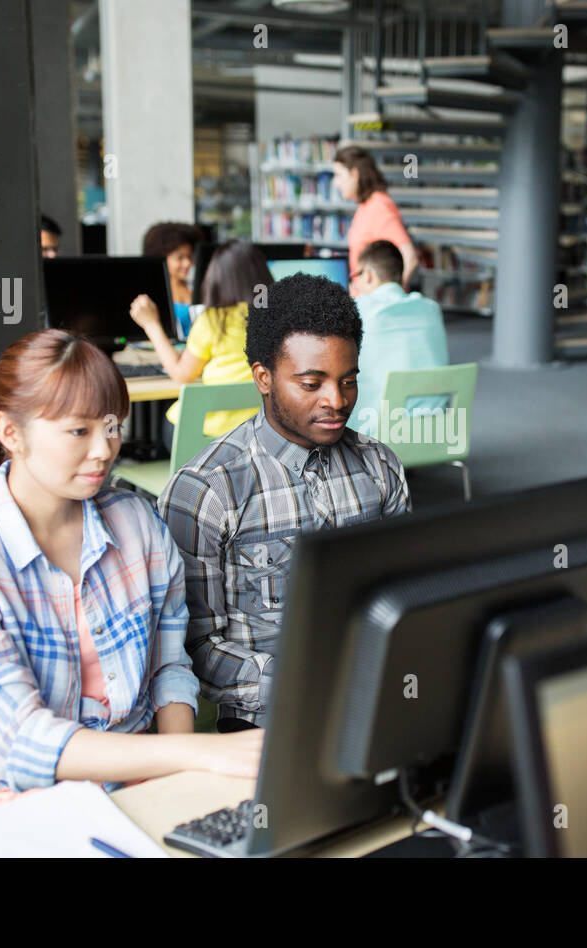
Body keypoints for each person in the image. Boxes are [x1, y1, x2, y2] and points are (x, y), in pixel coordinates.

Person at [0, 329, 262, 816]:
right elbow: (23, 741)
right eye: (80, 431)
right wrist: (194, 753)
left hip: (140, 785)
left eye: (112, 426)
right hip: (15, 806)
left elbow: (170, 668)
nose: (104, 449)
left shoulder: (140, 523)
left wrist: (179, 785)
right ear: (11, 433)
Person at [157, 274, 410, 732]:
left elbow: (407, 591)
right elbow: (195, 647)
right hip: (270, 722)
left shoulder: (380, 466)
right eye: (312, 383)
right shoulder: (207, 491)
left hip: (377, 699)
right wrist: (312, 683)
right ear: (263, 378)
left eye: (348, 381)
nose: (336, 400)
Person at [130, 239, 271, 440]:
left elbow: (181, 375)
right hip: (258, 430)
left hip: (208, 435)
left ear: (217, 278)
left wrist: (151, 324)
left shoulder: (213, 319)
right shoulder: (278, 318)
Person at [348, 239, 449, 437]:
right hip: (437, 433)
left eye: (356, 275)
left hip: (377, 435)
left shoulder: (359, 310)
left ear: (367, 275)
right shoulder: (431, 309)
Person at [332, 144, 417, 289]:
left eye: (339, 175)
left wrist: (392, 298)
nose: (335, 183)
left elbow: (410, 258)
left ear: (354, 174)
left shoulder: (379, 207)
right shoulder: (365, 207)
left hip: (376, 308)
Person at [140, 221, 204, 337]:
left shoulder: (198, 288)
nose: (187, 263)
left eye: (189, 256)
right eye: (179, 258)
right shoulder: (151, 295)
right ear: (161, 258)